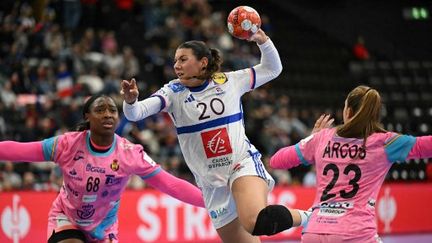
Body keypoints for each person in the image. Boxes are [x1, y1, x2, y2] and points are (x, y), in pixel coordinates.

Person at [120, 29, 310, 243]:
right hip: (211, 184)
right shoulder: (172, 92)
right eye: (175, 61)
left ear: (202, 62)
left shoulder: (229, 82)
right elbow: (135, 113)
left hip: (240, 164)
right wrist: (130, 100)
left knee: (255, 221)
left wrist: (263, 41)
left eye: (183, 59)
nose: (176, 65)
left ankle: (311, 217)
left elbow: (273, 69)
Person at [0, 94, 205, 243]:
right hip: (67, 218)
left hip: (104, 229)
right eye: (100, 110)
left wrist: (209, 202)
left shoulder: (129, 153)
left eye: (112, 110)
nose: (108, 114)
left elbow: (170, 184)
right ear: (87, 117)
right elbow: (19, 150)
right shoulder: (66, 145)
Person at [270, 85, 432, 243]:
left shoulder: (322, 138)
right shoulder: (385, 143)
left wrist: (311, 139)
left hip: (314, 232)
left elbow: (276, 161)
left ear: (347, 111)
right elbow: (426, 145)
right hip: (355, 233)